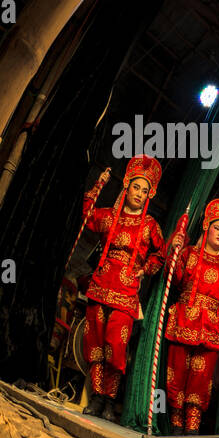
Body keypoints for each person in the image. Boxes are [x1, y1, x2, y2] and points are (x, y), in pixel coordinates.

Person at [79, 154, 165, 422]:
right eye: (136, 187)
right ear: (127, 187)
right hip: (101, 283)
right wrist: (98, 186)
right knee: (94, 342)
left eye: (145, 190)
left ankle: (109, 399)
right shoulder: (110, 217)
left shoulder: (150, 225)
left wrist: (145, 268)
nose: (139, 193)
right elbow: (87, 216)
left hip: (127, 291)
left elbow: (160, 254)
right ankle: (96, 397)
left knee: (115, 344)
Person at [164, 198, 219, 435]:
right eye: (217, 228)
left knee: (200, 381)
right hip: (183, 321)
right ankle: (175, 426)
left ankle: (192, 430)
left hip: (210, 328)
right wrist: (175, 251)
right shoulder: (189, 254)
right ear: (207, 228)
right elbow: (174, 279)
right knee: (177, 374)